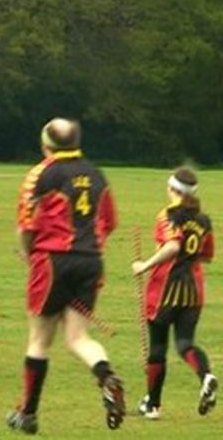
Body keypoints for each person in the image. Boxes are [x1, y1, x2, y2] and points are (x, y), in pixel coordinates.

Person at [7, 118, 125, 434]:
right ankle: (106, 376)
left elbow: (26, 226)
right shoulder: (97, 174)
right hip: (90, 260)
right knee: (78, 337)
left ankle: (28, 414)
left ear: (46, 143)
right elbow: (110, 222)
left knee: (40, 340)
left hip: (52, 261)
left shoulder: (41, 174)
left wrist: (28, 254)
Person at [131, 167, 217, 419]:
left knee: (158, 347)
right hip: (193, 290)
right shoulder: (203, 219)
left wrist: (145, 265)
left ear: (174, 190)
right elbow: (207, 256)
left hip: (165, 289)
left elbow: (172, 245)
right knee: (185, 343)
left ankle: (152, 404)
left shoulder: (167, 215)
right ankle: (206, 375)